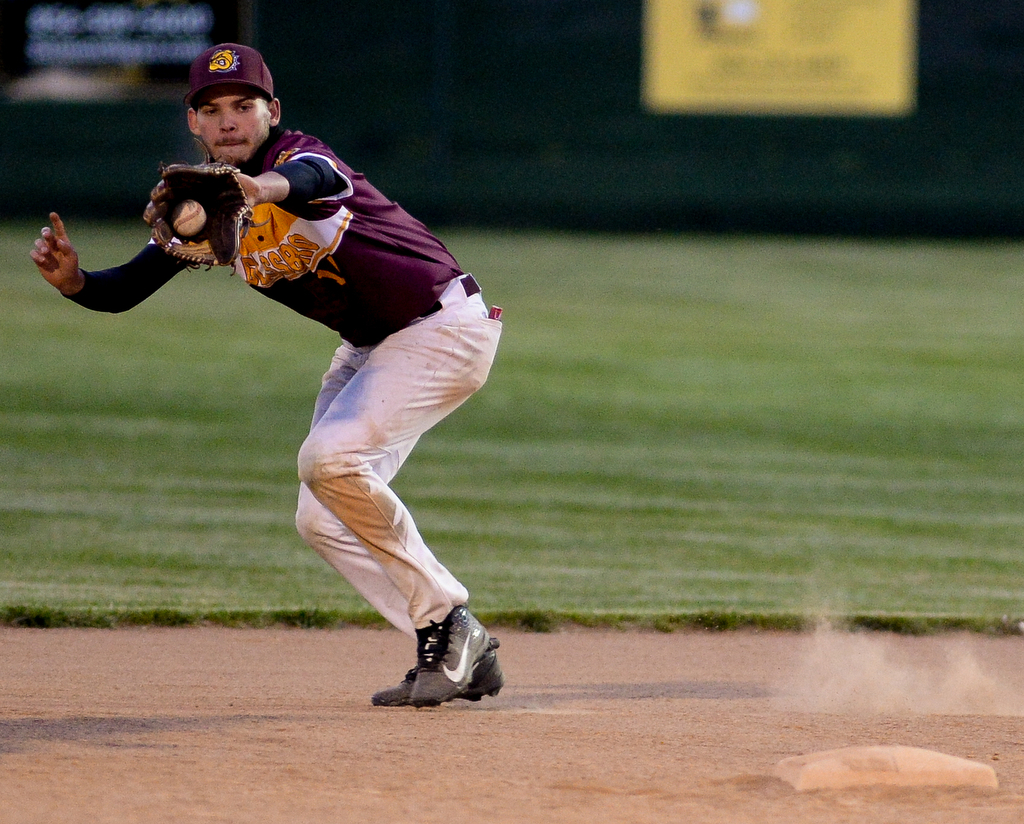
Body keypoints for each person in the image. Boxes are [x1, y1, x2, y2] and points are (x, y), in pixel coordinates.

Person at [29, 43, 505, 708]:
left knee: (329, 460)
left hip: (442, 328)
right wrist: (74, 281)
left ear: (271, 112)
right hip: (372, 348)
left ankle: (450, 622)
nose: (228, 120)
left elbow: (311, 179)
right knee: (322, 517)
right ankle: (452, 645)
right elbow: (126, 289)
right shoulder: (204, 207)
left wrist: (259, 187)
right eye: (211, 109)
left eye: (243, 105)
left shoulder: (298, 157)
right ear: (193, 123)